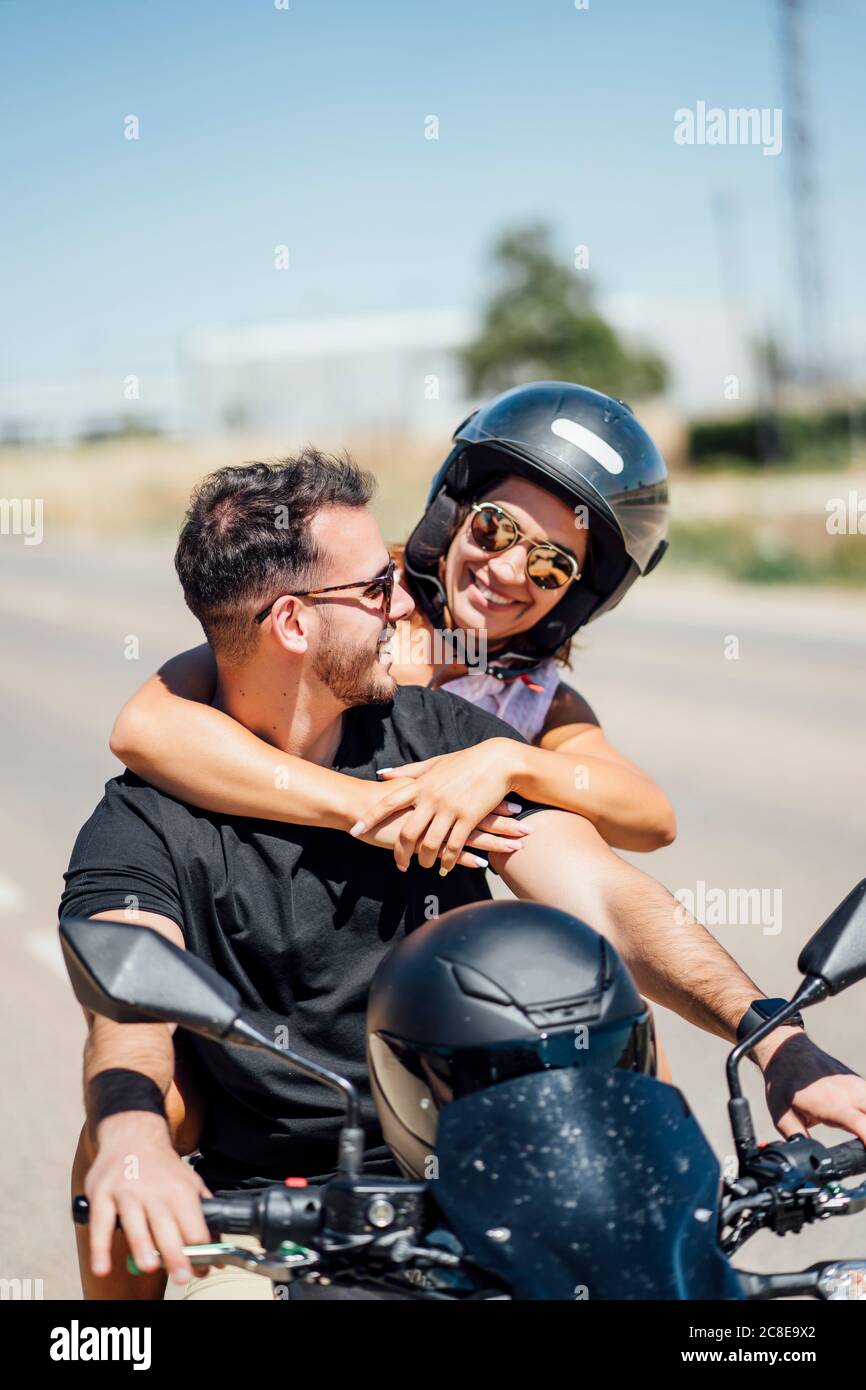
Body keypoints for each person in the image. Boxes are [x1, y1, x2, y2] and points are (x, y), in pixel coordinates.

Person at [61, 450, 866, 1302]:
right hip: (291, 1222)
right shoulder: (142, 823)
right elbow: (131, 1015)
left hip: (517, 1184)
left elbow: (609, 896)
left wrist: (780, 1042)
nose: (407, 605)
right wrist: (133, 1135)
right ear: (292, 624)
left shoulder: (442, 738)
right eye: (377, 589)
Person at [108, 383, 677, 876]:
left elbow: (651, 819)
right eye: (494, 528)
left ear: (575, 598)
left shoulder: (531, 697)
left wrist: (509, 760)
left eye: (549, 564)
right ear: (453, 517)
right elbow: (145, 728)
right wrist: (367, 806)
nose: (506, 570)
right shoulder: (355, 613)